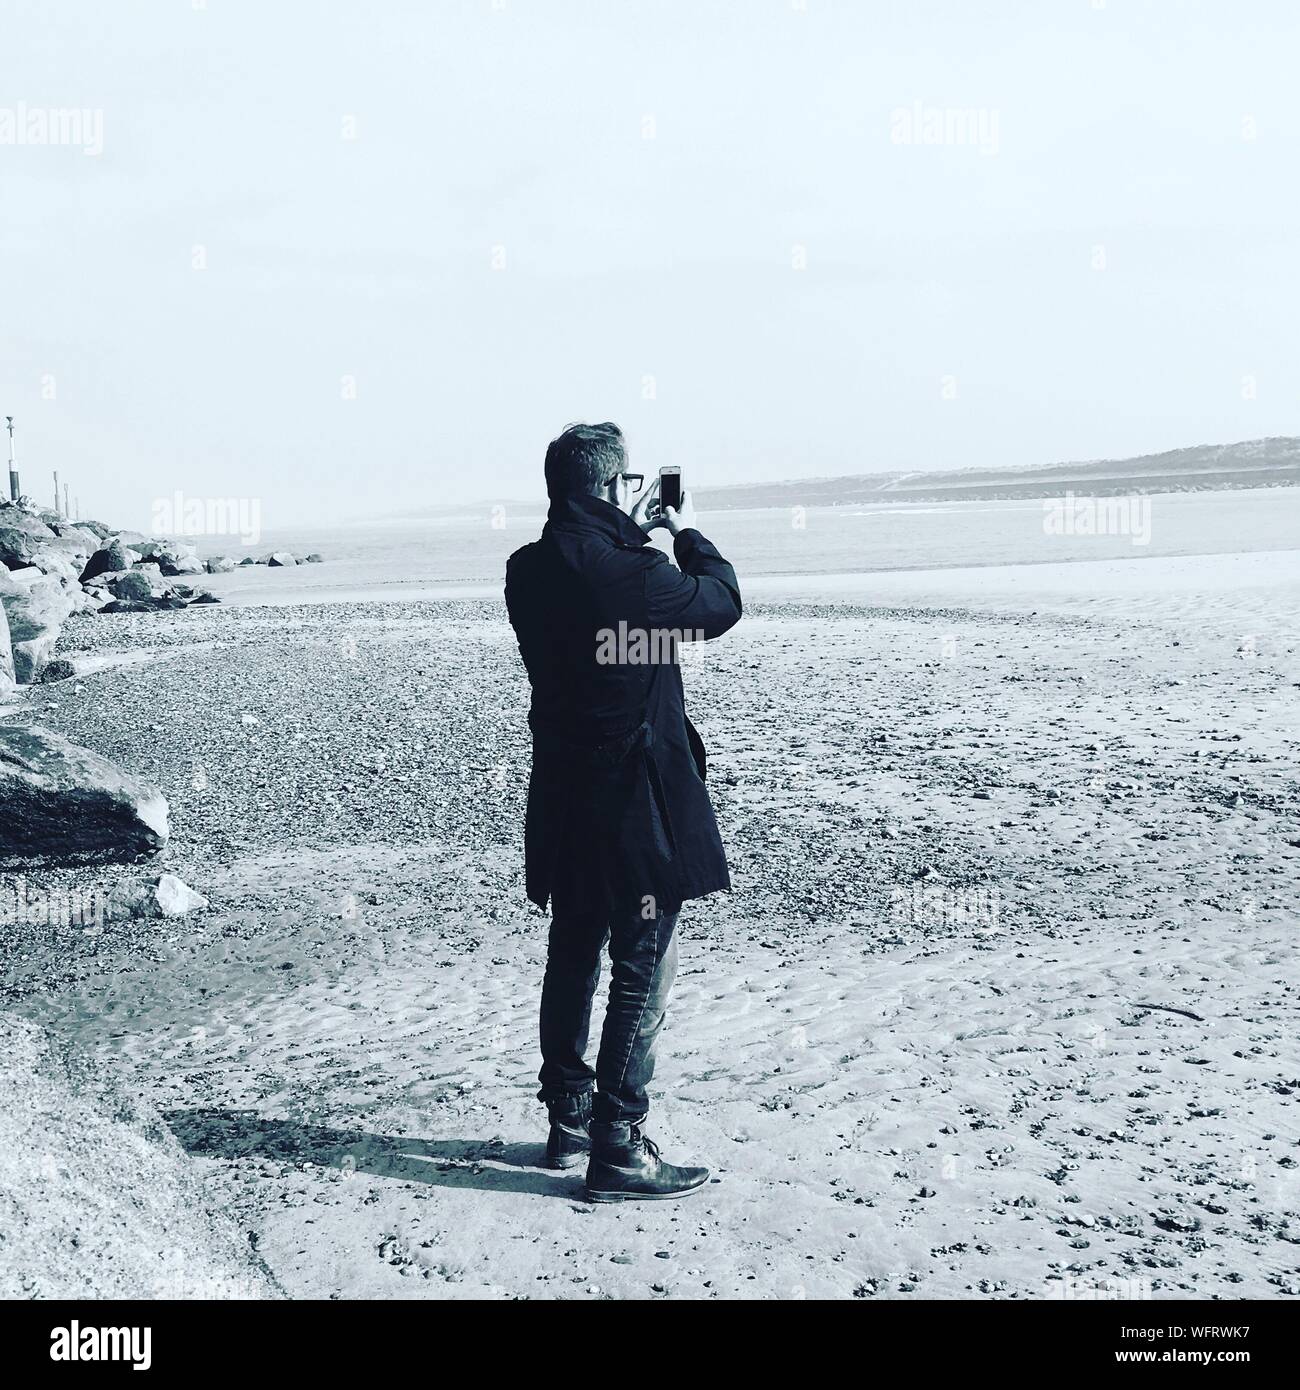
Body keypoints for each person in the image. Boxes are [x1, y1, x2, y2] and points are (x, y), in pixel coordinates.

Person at [504, 422, 742, 1202]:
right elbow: (719, 604)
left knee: (573, 948)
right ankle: (619, 1143)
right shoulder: (633, 573)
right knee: (643, 960)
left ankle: (569, 1121)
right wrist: (685, 529)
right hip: (635, 799)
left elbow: (591, 619)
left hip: (565, 796)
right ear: (612, 486)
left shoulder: (525, 571)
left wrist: (621, 534)